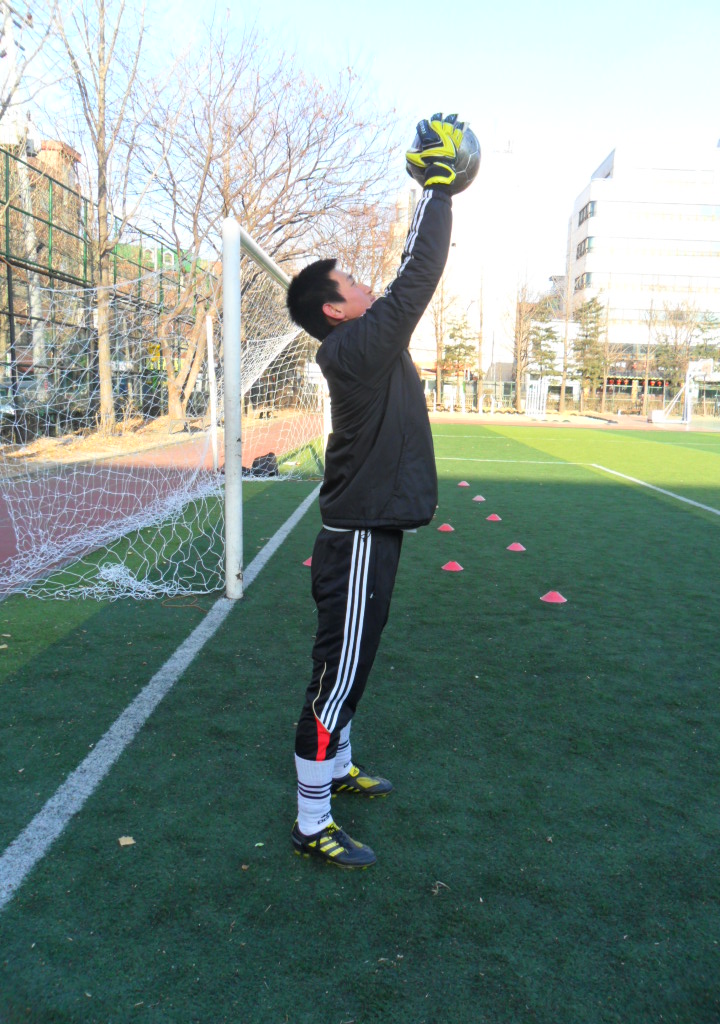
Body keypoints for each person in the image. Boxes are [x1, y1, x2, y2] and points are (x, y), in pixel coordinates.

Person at [285, 113, 465, 869]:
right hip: (356, 537)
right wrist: (438, 189)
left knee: (355, 663)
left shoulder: (362, 342)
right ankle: (311, 822)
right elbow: (416, 277)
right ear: (334, 309)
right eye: (352, 283)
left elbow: (398, 282)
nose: (367, 286)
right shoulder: (355, 346)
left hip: (370, 531)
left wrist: (431, 199)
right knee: (336, 677)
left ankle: (340, 766)